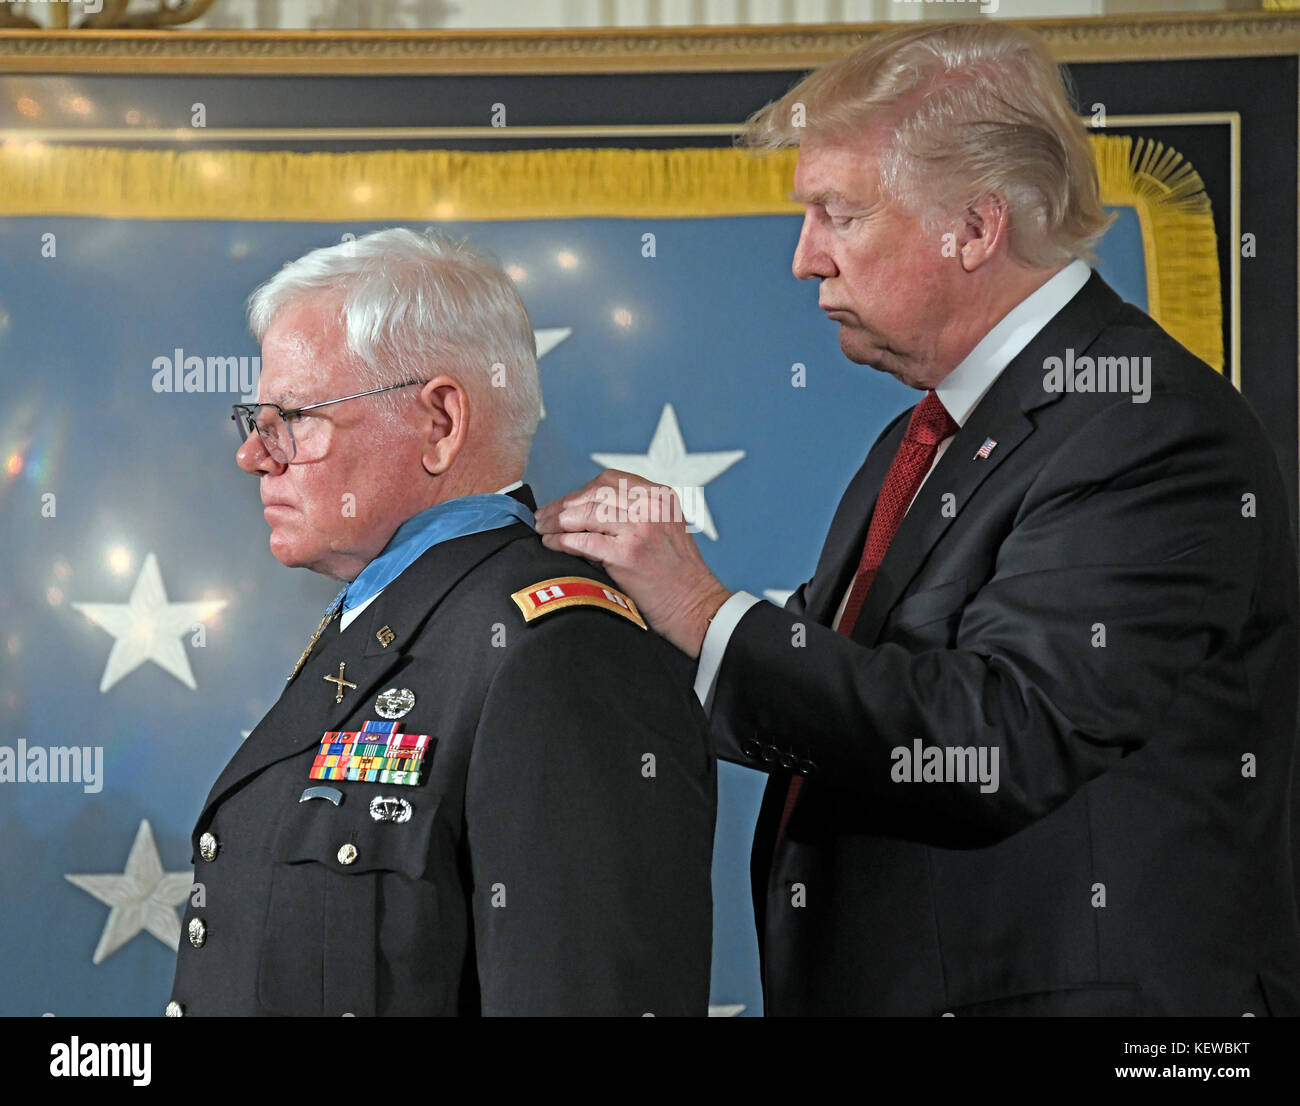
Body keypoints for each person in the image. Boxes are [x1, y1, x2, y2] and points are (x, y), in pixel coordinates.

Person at [536, 22, 1300, 1016]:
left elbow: (1002, 738)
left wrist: (701, 604)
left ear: (975, 228)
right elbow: (836, 680)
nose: (806, 257)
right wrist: (600, 600)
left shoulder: (1144, 425)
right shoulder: (929, 428)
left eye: (836, 213)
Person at [167, 227, 716, 1017]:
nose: (255, 455)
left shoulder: (562, 655)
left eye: (292, 416)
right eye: (256, 417)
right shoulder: (401, 616)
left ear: (439, 423)